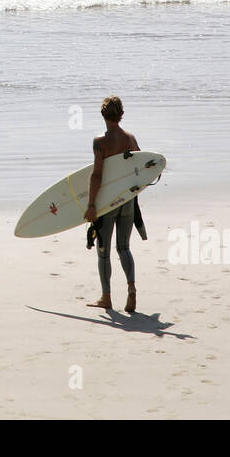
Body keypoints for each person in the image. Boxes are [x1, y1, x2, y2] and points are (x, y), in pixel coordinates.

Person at [84, 95, 142, 313]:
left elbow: (97, 175)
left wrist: (91, 204)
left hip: (108, 203)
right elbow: (141, 171)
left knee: (104, 251)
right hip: (127, 201)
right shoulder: (131, 139)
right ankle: (131, 289)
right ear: (122, 115)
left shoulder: (100, 141)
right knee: (124, 247)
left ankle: (106, 297)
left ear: (102, 115)